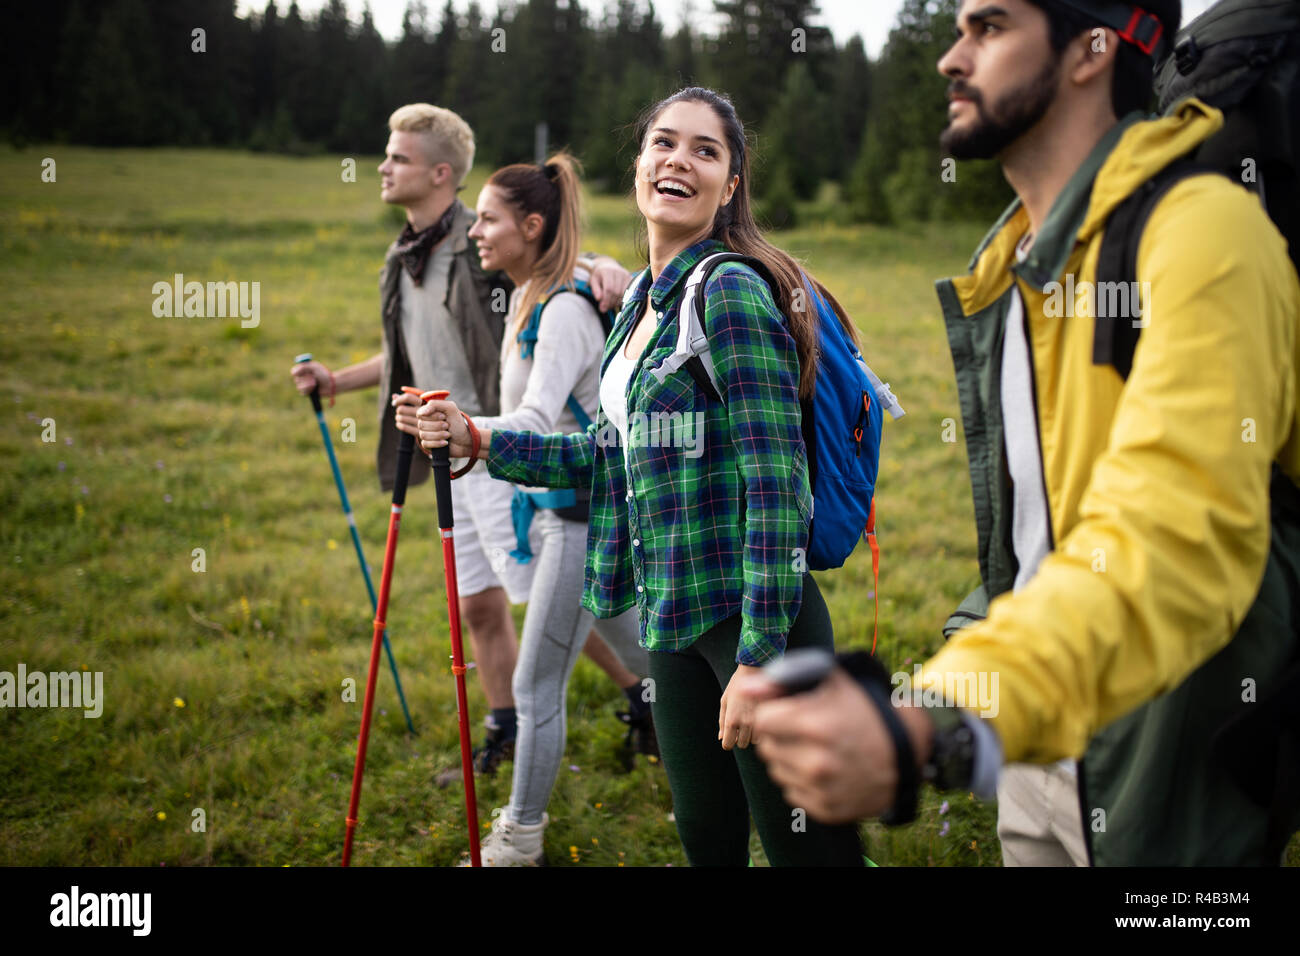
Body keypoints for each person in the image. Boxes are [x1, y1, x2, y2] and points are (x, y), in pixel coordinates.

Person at [739, 0, 1300, 866]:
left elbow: (1177, 544)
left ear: (1090, 50)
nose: (950, 58)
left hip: (1161, 763)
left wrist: (942, 720)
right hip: (1026, 745)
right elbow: (1039, 533)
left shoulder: (1203, 233)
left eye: (990, 27)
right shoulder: (1012, 264)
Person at [417, 87, 865, 867]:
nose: (678, 161)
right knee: (705, 832)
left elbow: (776, 486)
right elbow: (604, 455)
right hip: (673, 612)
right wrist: (477, 439)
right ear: (638, 165)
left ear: (730, 185)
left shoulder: (728, 292)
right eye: (664, 142)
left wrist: (758, 658)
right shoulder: (640, 307)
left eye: (705, 150)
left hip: (754, 617)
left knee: (809, 850)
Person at [290, 103, 635, 775]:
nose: (384, 167)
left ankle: (638, 694)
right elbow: (409, 356)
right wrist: (338, 381)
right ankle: (506, 726)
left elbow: (548, 255)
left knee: (542, 596)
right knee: (482, 603)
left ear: (440, 173)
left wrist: (603, 264)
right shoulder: (404, 255)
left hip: (501, 446)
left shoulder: (475, 245)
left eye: (398, 158)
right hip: (452, 448)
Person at [395, 151, 652, 865]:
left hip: (579, 517)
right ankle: (694, 725)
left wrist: (466, 431)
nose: (474, 230)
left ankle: (521, 840)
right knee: (658, 659)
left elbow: (537, 420)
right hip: (559, 513)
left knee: (540, 685)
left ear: (531, 226)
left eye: (489, 219)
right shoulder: (536, 294)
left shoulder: (564, 307)